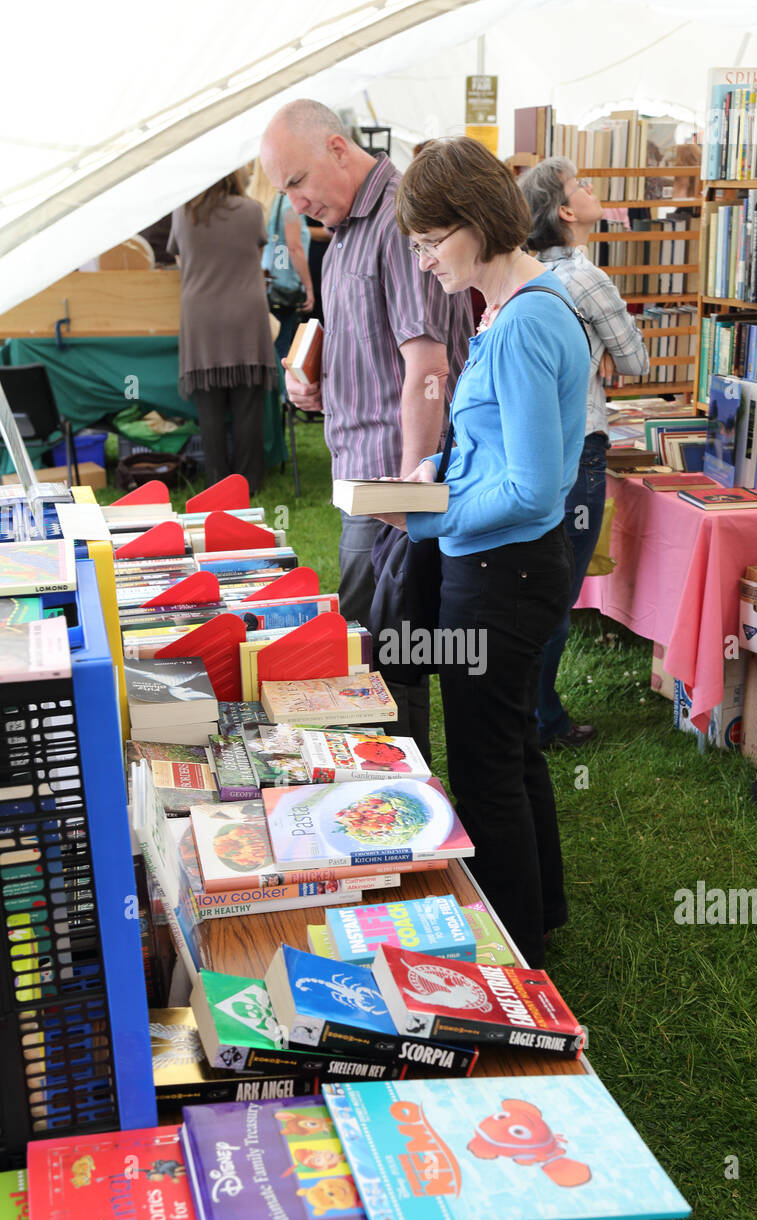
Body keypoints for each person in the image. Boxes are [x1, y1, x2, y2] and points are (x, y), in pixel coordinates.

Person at [371, 135, 590, 968]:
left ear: (474, 222)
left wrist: (432, 512)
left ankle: (516, 957)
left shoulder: (528, 320)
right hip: (502, 567)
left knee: (487, 768)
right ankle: (542, 916)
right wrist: (438, 468)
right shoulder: (508, 311)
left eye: (430, 243)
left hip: (503, 573)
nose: (424, 262)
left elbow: (536, 489)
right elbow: (502, 454)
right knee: (509, 749)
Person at [260, 101, 473, 757]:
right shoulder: (348, 230)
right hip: (371, 482)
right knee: (376, 655)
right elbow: (379, 353)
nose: (295, 203)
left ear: (336, 148)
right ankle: (395, 798)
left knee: (387, 665)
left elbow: (429, 366)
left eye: (297, 182)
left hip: (392, 490)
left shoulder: (402, 219)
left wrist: (407, 493)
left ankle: (401, 811)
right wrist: (320, 385)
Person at [518, 157, 649, 750]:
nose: (593, 188)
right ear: (566, 212)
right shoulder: (586, 278)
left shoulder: (525, 275)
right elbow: (637, 363)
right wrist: (602, 359)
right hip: (583, 447)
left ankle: (528, 708)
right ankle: (542, 719)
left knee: (536, 580)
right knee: (559, 591)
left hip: (536, 445)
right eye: (580, 186)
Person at [168, 173, 277, 493]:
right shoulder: (251, 210)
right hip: (245, 313)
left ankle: (217, 482)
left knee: (209, 410)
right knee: (248, 408)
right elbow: (255, 257)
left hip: (201, 317)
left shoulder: (182, 213)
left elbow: (180, 259)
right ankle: (247, 482)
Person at [247, 158, 315, 369]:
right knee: (284, 346)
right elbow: (294, 248)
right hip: (283, 283)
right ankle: (283, 397)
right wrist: (309, 287)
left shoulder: (251, 201)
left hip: (259, 283)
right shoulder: (286, 204)